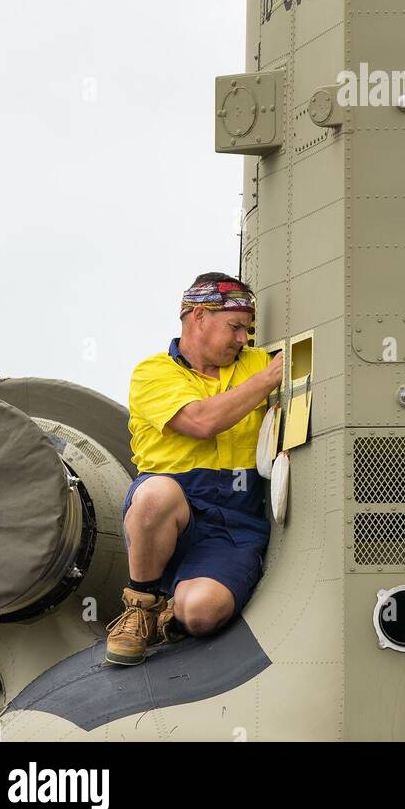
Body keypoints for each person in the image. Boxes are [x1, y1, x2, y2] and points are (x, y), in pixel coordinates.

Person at [104, 272, 283, 666]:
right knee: (154, 495)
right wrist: (269, 379)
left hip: (235, 522)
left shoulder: (256, 362)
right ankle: (142, 606)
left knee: (201, 613)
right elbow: (201, 423)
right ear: (199, 316)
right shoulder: (152, 373)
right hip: (176, 509)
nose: (243, 339)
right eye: (235, 327)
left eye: (247, 330)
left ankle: (177, 610)